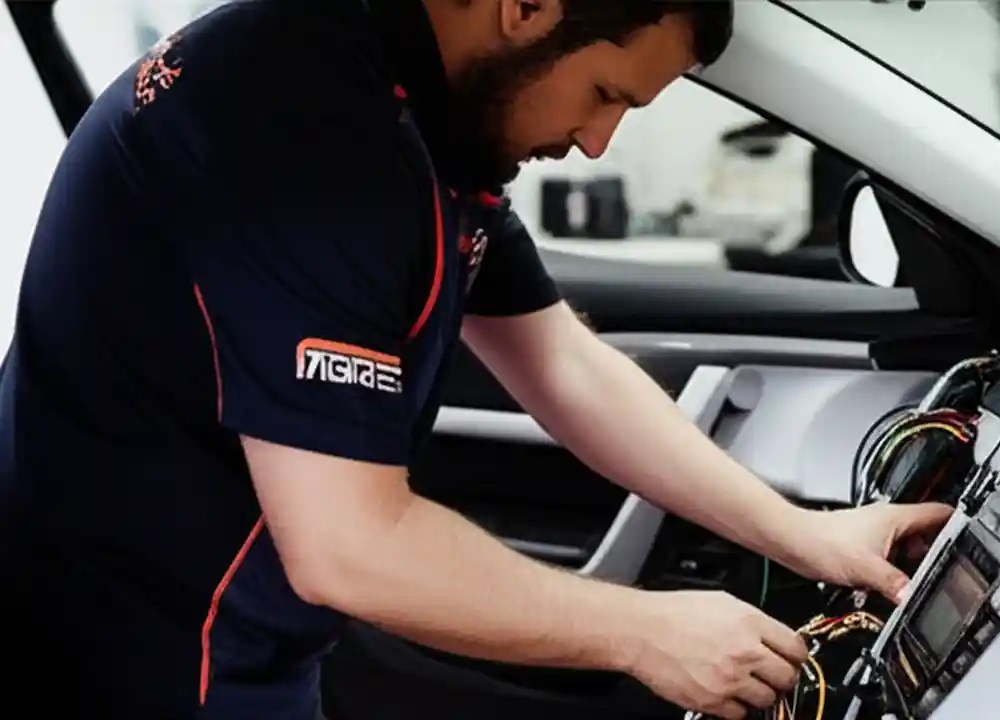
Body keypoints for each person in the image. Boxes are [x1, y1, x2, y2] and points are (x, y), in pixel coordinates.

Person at [0, 0, 952, 717]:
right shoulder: (311, 133)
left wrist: (807, 536)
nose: (594, 141)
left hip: (214, 650)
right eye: (606, 94)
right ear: (529, 6)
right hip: (136, 666)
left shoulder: (417, 116)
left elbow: (563, 368)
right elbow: (354, 549)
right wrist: (646, 629)